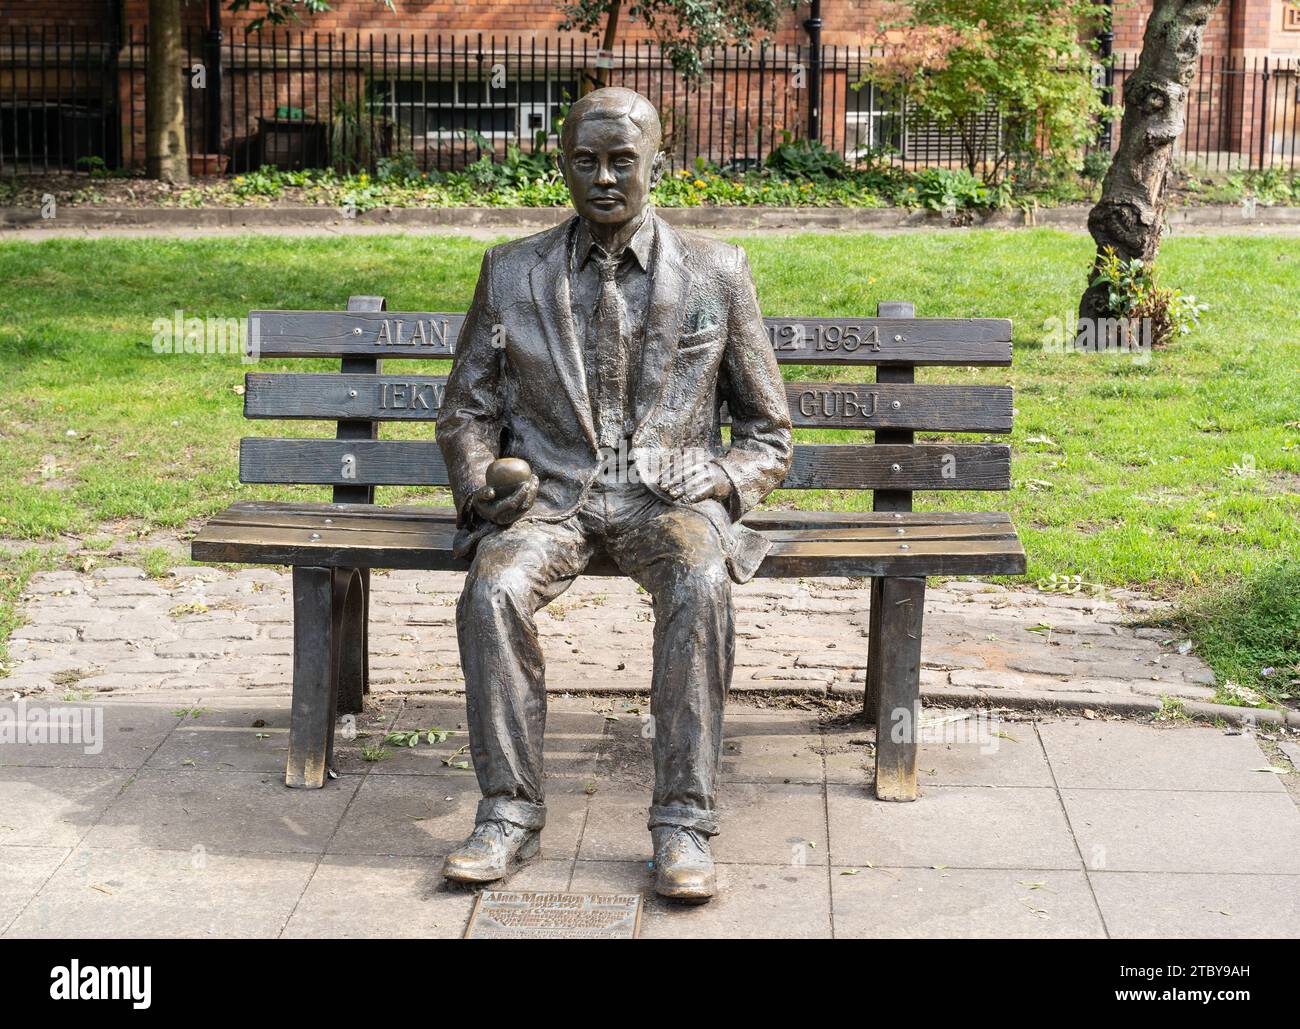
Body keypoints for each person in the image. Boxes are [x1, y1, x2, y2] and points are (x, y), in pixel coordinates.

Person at [435, 87, 792, 902]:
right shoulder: (511, 270)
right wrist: (479, 486)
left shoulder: (717, 271)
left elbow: (770, 432)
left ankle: (683, 824)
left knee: (702, 581)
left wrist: (728, 476)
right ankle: (508, 813)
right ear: (562, 165)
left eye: (621, 162)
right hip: (551, 498)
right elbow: (467, 411)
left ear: (656, 165)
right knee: (491, 589)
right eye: (586, 161)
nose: (603, 178)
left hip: (663, 500)